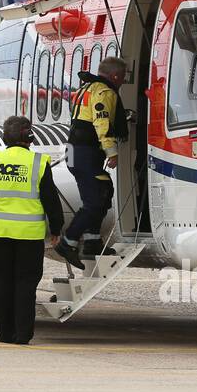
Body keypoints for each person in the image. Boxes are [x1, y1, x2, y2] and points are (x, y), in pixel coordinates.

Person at [0, 115, 64, 345]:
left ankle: (4, 333)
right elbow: (51, 199)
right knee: (25, 284)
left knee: (1, 282)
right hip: (29, 235)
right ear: (30, 136)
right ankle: (23, 333)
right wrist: (56, 228)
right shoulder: (38, 162)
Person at [56, 56, 129, 268]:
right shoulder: (104, 92)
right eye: (123, 78)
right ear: (115, 76)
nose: (123, 82)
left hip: (77, 153)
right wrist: (111, 152)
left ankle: (92, 241)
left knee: (104, 191)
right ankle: (68, 242)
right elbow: (102, 123)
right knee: (95, 202)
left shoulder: (85, 89)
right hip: (85, 154)